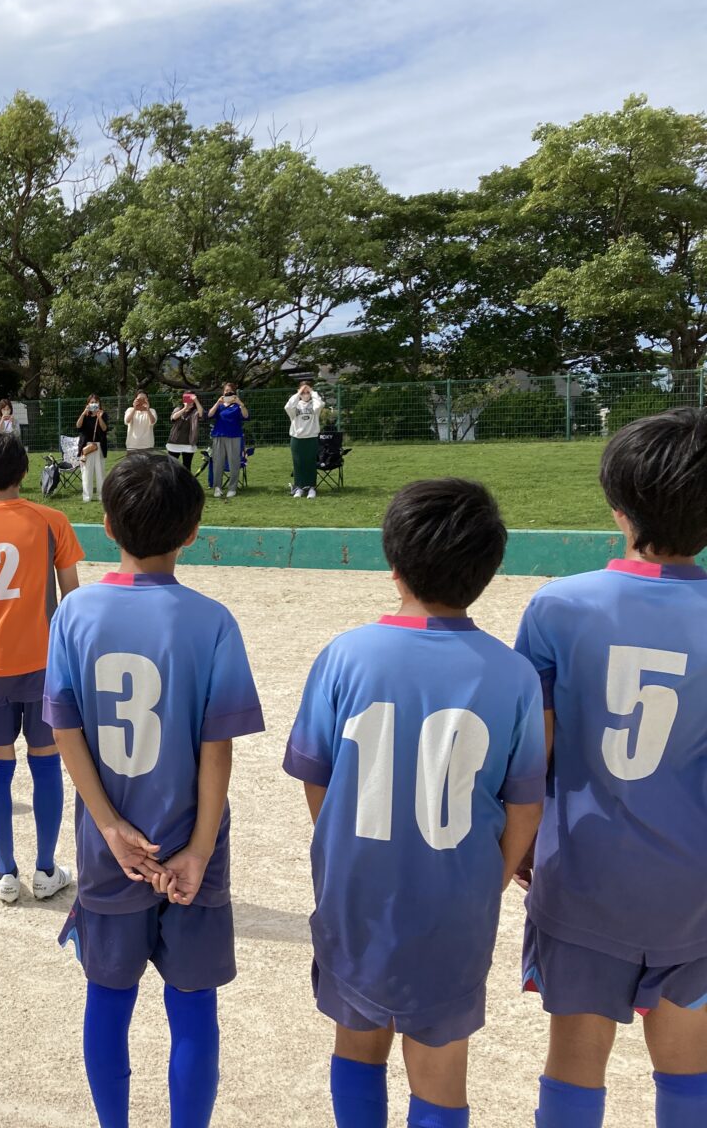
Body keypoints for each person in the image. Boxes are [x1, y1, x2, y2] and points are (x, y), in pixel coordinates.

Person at [285, 479, 546, 1128]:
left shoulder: (345, 656)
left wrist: (340, 839)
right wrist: (493, 872)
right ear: (488, 571)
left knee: (358, 1045)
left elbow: (316, 775)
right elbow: (524, 805)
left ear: (392, 565)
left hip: (358, 890)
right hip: (456, 901)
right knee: (440, 1067)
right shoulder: (511, 674)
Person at [46, 453, 265, 1128]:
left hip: (109, 848)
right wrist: (198, 848)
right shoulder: (212, 621)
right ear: (193, 530)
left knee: (108, 1003)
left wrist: (110, 826)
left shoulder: (75, 614)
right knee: (193, 1006)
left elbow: (66, 730)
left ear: (107, 525)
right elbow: (214, 748)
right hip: (191, 846)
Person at [515, 408, 707, 1128]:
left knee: (575, 1060)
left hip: (585, 875)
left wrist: (523, 846)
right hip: (693, 885)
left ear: (616, 507)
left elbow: (534, 754)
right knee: (689, 1067)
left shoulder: (559, 606)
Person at [0, 432, 83, 904]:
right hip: (46, 668)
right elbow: (71, 598)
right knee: (46, 766)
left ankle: (6, 874)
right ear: (25, 473)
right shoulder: (52, 521)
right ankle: (47, 870)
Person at [205, 384, 248, 499]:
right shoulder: (219, 406)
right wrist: (217, 403)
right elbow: (209, 414)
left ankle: (232, 488)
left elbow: (246, 415)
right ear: (223, 392)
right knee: (218, 462)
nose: (228, 393)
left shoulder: (237, 406)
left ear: (234, 393)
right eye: (226, 391)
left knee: (234, 463)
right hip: (218, 436)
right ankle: (217, 488)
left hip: (234, 436)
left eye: (230, 391)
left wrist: (240, 403)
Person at [286, 383, 327, 499]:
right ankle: (299, 487)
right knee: (298, 464)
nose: (305, 394)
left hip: (311, 438)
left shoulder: (314, 405)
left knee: (310, 463)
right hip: (297, 439)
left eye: (307, 392)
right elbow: (288, 407)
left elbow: (320, 404)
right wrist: (299, 392)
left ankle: (311, 488)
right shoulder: (295, 406)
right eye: (303, 392)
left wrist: (312, 391)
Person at [75, 395, 111, 503]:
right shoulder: (85, 415)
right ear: (88, 404)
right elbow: (78, 426)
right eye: (91, 402)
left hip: (99, 446)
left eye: (96, 402)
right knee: (86, 473)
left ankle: (101, 496)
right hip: (86, 447)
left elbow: (104, 429)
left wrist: (99, 416)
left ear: (99, 403)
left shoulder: (103, 414)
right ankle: (87, 497)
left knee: (100, 473)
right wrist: (83, 413)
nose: (94, 404)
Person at [167, 392, 204, 471]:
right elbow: (173, 418)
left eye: (191, 399)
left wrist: (196, 400)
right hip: (174, 442)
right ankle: (172, 482)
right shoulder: (178, 409)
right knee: (171, 466)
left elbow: (201, 414)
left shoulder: (195, 412)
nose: (189, 401)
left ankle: (185, 483)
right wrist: (184, 408)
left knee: (187, 467)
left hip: (188, 443)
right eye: (187, 399)